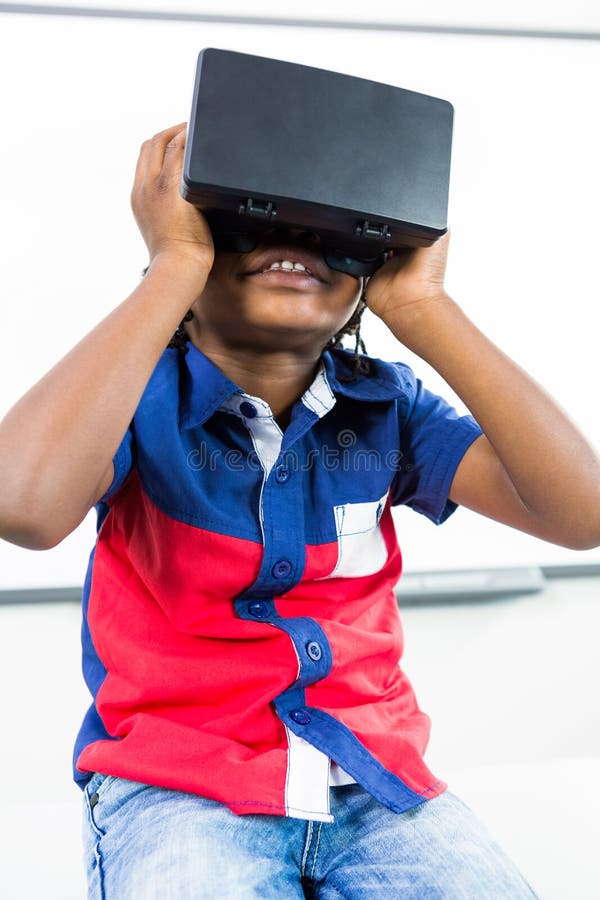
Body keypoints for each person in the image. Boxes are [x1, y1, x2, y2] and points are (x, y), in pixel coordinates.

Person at [1, 122, 599, 900]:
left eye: (332, 232)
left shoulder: (388, 408)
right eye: (251, 218)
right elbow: (24, 505)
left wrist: (424, 305)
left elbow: (580, 515)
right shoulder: (131, 403)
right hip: (180, 783)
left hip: (374, 779)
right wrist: (172, 264)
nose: (296, 239)